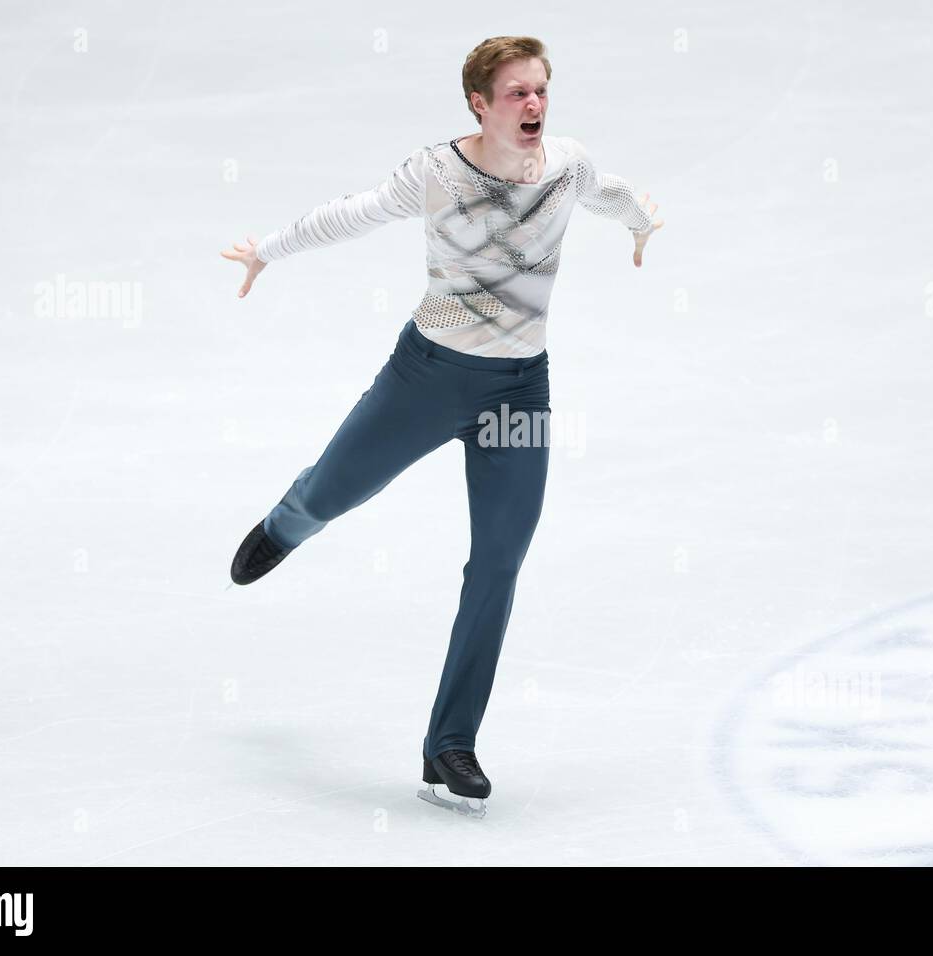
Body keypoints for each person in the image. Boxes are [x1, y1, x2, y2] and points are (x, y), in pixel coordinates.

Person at [220, 35, 663, 817]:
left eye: (541, 91)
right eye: (517, 94)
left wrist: (640, 223)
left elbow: (613, 192)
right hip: (425, 379)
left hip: (519, 394)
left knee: (497, 564)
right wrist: (270, 250)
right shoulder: (436, 171)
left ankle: (449, 744)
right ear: (479, 105)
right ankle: (289, 523)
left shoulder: (567, 164)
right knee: (333, 491)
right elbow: (349, 215)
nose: (534, 106)